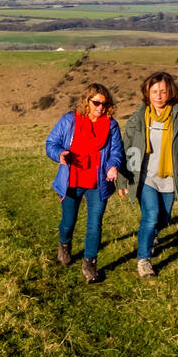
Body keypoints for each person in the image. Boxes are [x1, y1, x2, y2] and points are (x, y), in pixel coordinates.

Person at [115, 71, 178, 277]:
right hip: (144, 177)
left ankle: (151, 237)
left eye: (163, 91)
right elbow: (127, 150)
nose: (158, 95)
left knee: (164, 219)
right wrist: (123, 180)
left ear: (170, 93)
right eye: (154, 91)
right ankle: (144, 260)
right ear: (147, 93)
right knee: (151, 216)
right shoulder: (138, 118)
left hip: (170, 177)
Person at [45, 83, 123, 283]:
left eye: (104, 104)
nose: (101, 108)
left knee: (95, 225)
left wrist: (113, 166)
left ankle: (90, 264)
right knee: (68, 222)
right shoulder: (70, 120)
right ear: (86, 102)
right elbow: (51, 143)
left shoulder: (111, 125)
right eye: (96, 102)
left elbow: (116, 152)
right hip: (72, 181)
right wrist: (59, 154)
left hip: (98, 183)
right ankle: (64, 246)